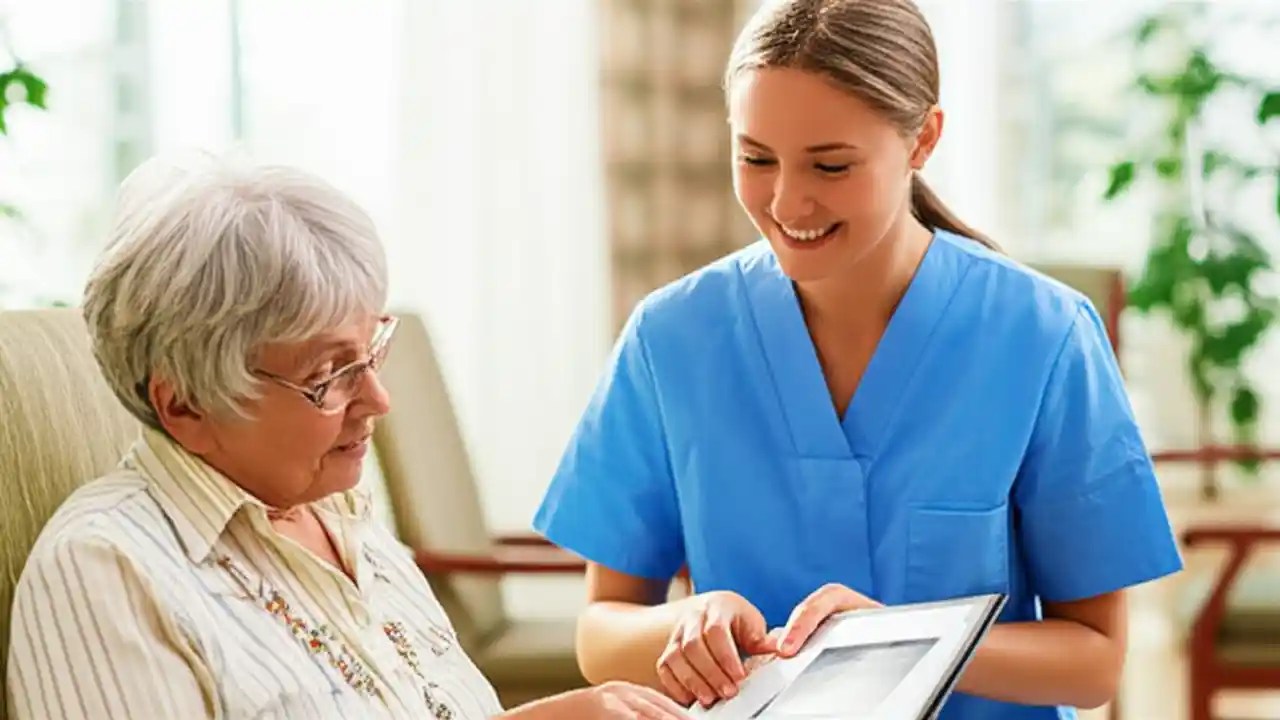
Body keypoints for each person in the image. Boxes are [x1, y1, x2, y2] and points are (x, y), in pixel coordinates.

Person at [532, 1, 1183, 719]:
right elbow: (602, 631)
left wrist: (897, 642)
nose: (787, 200)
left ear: (922, 140)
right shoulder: (673, 336)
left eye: (831, 164)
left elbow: (1092, 664)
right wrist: (687, 625)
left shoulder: (1043, 335)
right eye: (754, 158)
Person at [4, 155, 689, 720]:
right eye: (329, 375)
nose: (377, 401)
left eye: (372, 353)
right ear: (183, 403)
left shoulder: (340, 516)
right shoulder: (108, 571)